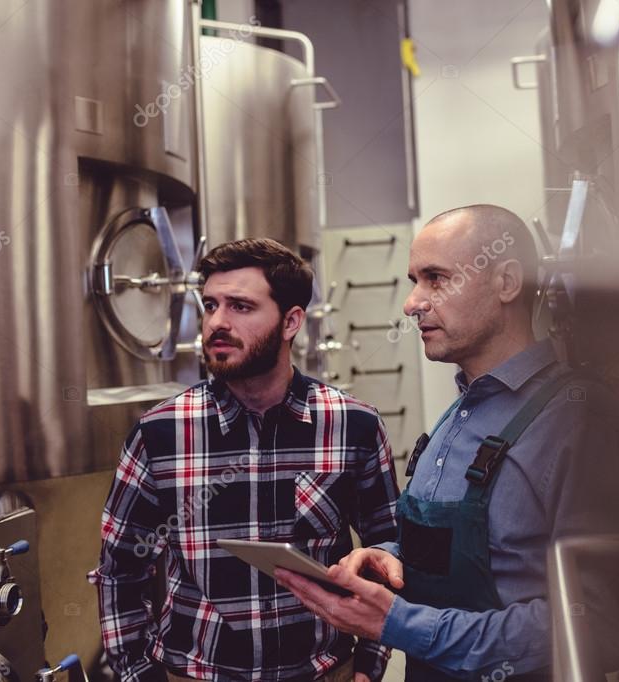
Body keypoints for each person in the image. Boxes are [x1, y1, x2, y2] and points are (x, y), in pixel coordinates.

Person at [275, 206, 619, 680]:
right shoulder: (461, 411)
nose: (411, 303)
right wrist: (390, 558)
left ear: (507, 283)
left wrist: (400, 623)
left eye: (436, 279)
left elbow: (600, 625)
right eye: (413, 280)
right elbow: (465, 557)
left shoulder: (578, 419)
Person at [89, 238, 401, 682]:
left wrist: (370, 664)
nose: (216, 321)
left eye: (240, 306)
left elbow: (387, 553)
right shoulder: (160, 434)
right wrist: (137, 673)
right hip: (195, 673)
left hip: (324, 672)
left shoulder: (354, 426)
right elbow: (119, 570)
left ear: (291, 321)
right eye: (211, 305)